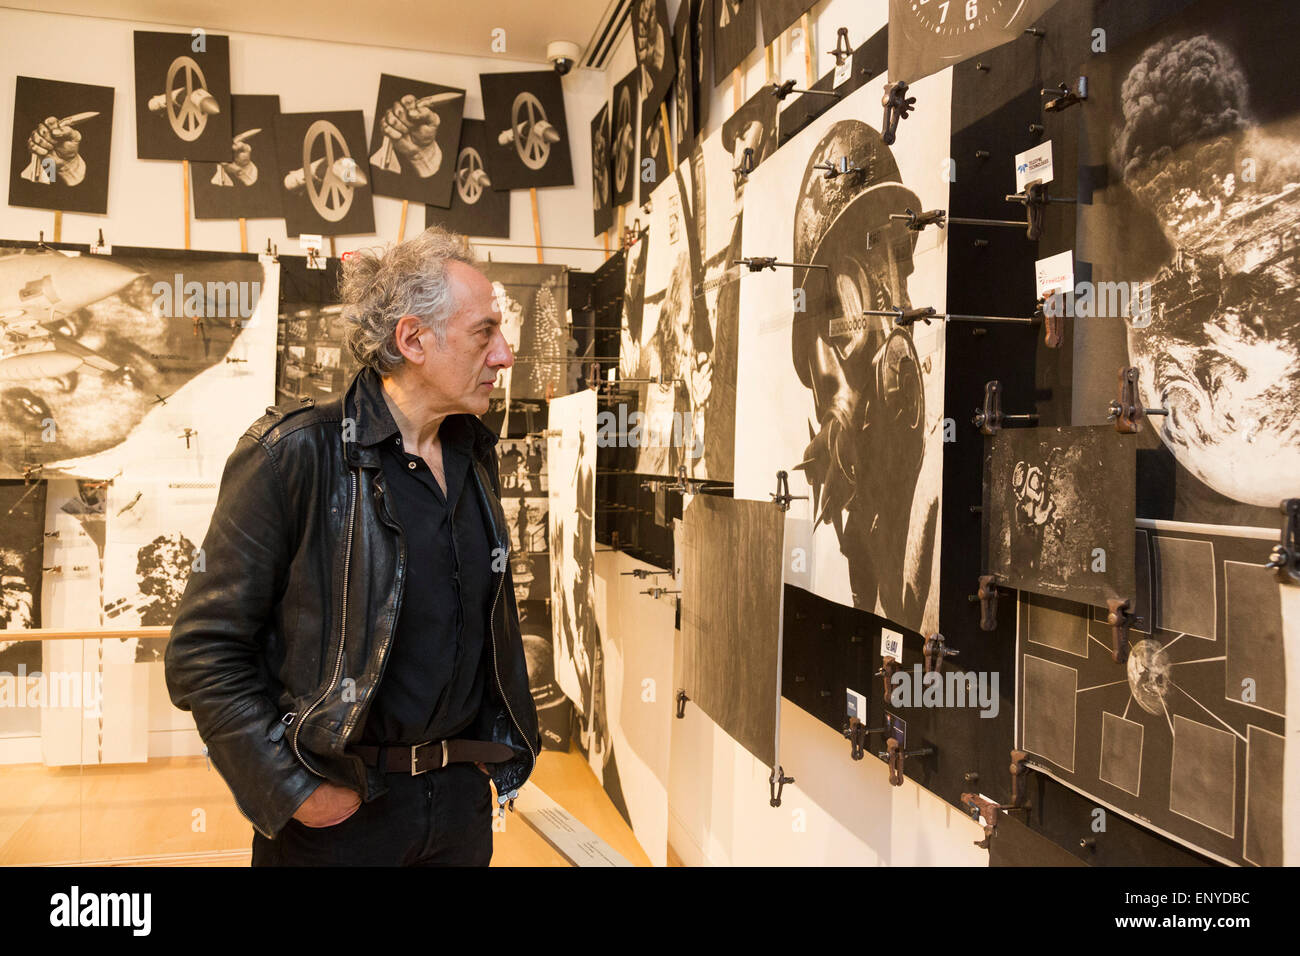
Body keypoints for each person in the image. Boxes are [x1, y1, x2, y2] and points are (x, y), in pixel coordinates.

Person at [165, 227, 541, 866]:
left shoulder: (476, 458)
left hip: (459, 812)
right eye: (485, 332)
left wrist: (479, 775)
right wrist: (292, 791)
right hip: (340, 819)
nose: (504, 355)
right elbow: (204, 651)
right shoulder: (292, 455)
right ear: (413, 339)